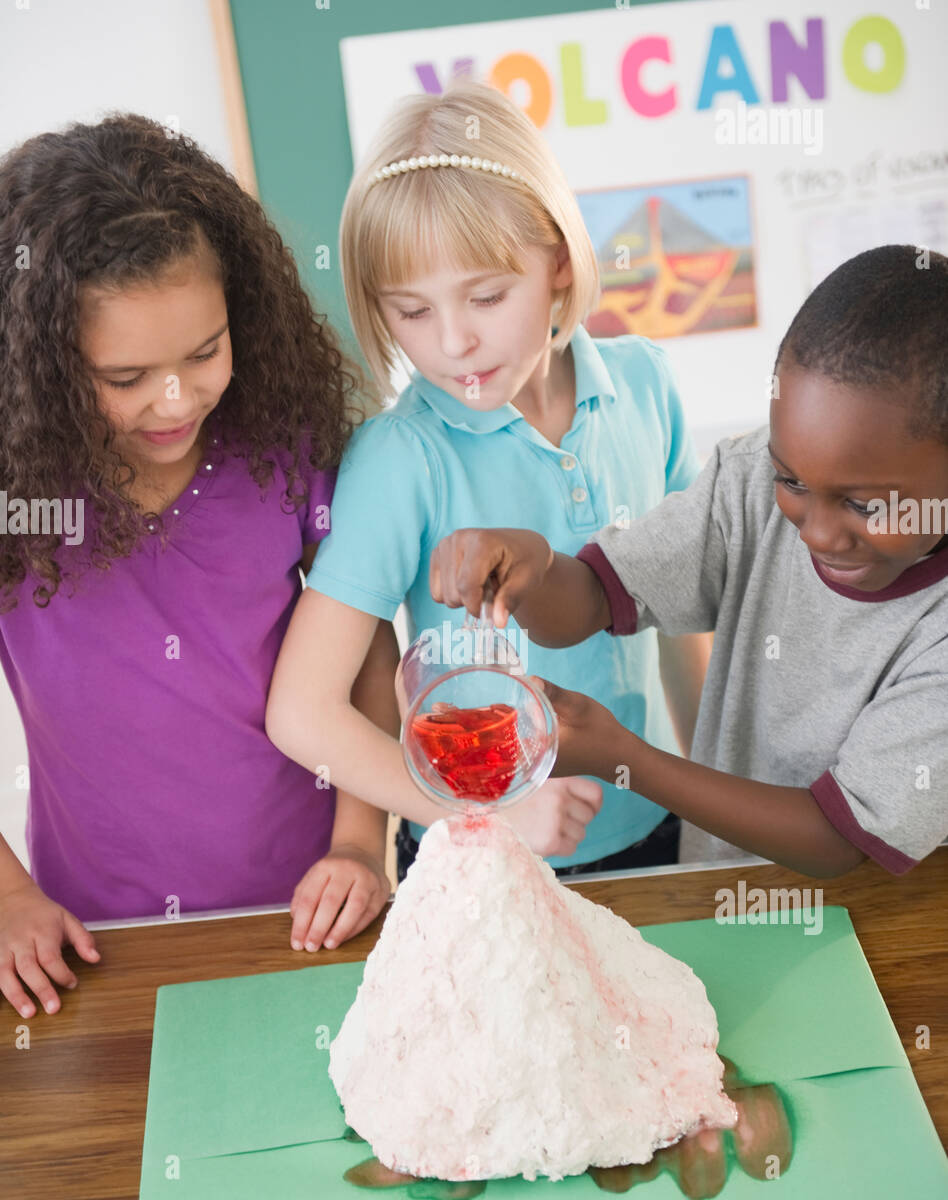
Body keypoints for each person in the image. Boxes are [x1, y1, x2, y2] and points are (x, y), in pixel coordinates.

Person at [266, 78, 711, 896]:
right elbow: (301, 710)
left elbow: (683, 615)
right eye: (411, 311)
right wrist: (486, 817)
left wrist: (717, 798)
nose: (454, 342)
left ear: (558, 260)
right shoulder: (399, 457)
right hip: (480, 863)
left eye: (486, 296)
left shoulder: (647, 384)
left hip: (649, 829)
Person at [0, 114, 395, 1020]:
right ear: (40, 366)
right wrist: (10, 899)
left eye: (204, 353)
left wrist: (364, 843)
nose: (176, 401)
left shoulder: (284, 453)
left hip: (318, 905)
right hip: (93, 943)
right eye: (126, 376)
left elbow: (365, 647)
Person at [429, 245, 948, 878]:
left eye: (864, 508)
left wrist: (624, 757)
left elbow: (838, 840)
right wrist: (535, 566)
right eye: (793, 481)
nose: (817, 532)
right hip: (719, 902)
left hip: (883, 937)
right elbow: (594, 595)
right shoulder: (748, 480)